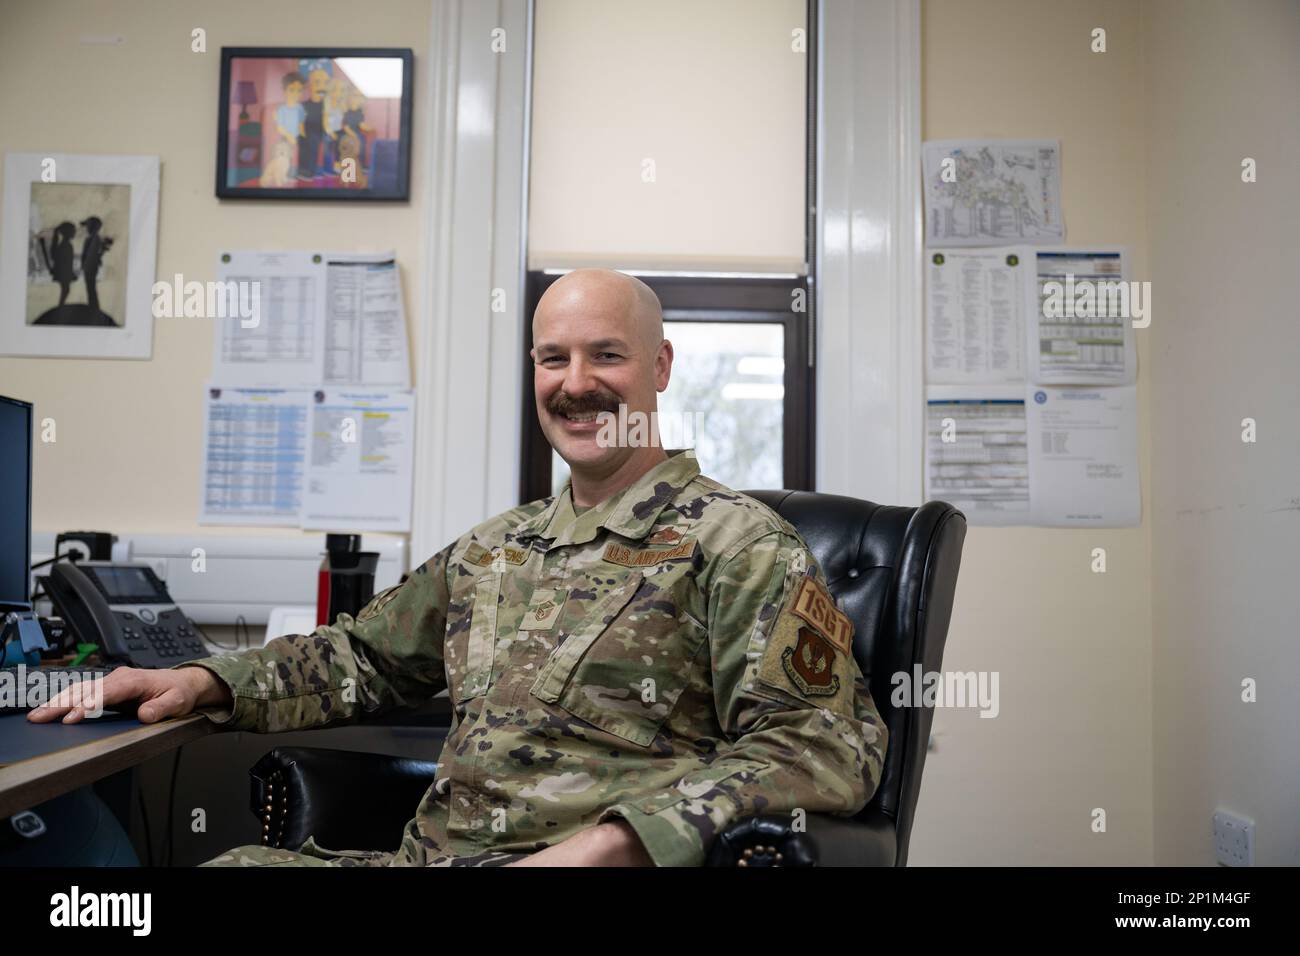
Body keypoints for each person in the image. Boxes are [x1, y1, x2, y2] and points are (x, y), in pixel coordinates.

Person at [31, 269, 888, 867]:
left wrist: (619, 843)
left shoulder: (737, 545)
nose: (576, 382)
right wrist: (197, 682)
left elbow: (824, 746)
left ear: (660, 368)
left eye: (607, 356)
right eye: (554, 358)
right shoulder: (495, 549)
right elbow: (358, 657)